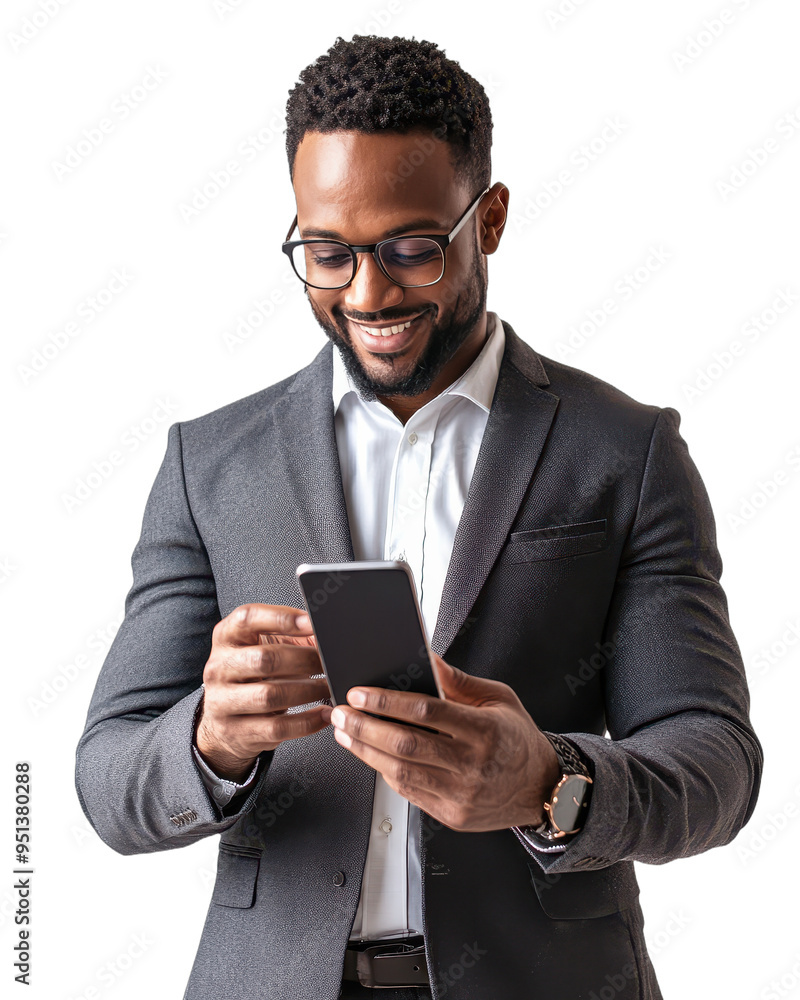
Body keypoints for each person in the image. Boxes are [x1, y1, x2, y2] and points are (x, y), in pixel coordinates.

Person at [75, 35, 762, 1000]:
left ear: (491, 220)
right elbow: (107, 778)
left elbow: (717, 765)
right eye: (327, 253)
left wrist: (549, 785)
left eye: (410, 249)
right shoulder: (209, 464)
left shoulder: (627, 452)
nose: (367, 293)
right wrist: (208, 740)